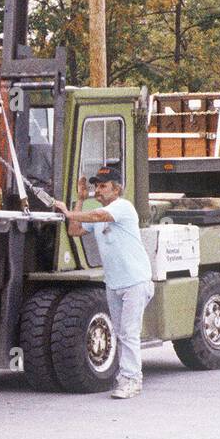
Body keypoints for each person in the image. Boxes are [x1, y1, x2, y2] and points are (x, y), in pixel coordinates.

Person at [54, 166, 154, 399]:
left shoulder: (122, 207)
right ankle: (125, 377)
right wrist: (79, 201)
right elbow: (74, 230)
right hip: (114, 283)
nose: (98, 191)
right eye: (96, 186)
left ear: (116, 189)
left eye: (103, 186)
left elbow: (96, 217)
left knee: (129, 333)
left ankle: (132, 380)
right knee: (119, 332)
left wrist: (68, 211)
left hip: (135, 282)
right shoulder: (97, 212)